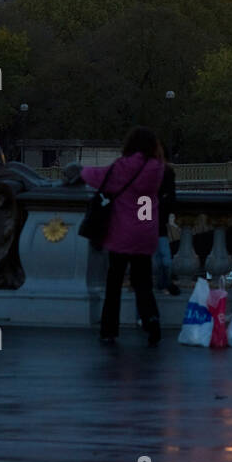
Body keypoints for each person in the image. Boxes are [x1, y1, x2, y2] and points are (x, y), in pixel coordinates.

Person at [81, 127, 165, 347]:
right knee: (143, 283)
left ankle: (109, 330)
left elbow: (98, 177)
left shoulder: (122, 167)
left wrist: (79, 171)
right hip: (146, 232)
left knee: (114, 283)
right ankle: (152, 322)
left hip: (121, 233)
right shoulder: (157, 168)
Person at [153, 145, 180, 295]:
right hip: (150, 225)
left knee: (164, 260)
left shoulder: (167, 173)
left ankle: (162, 285)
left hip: (159, 225)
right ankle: (162, 286)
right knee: (161, 259)